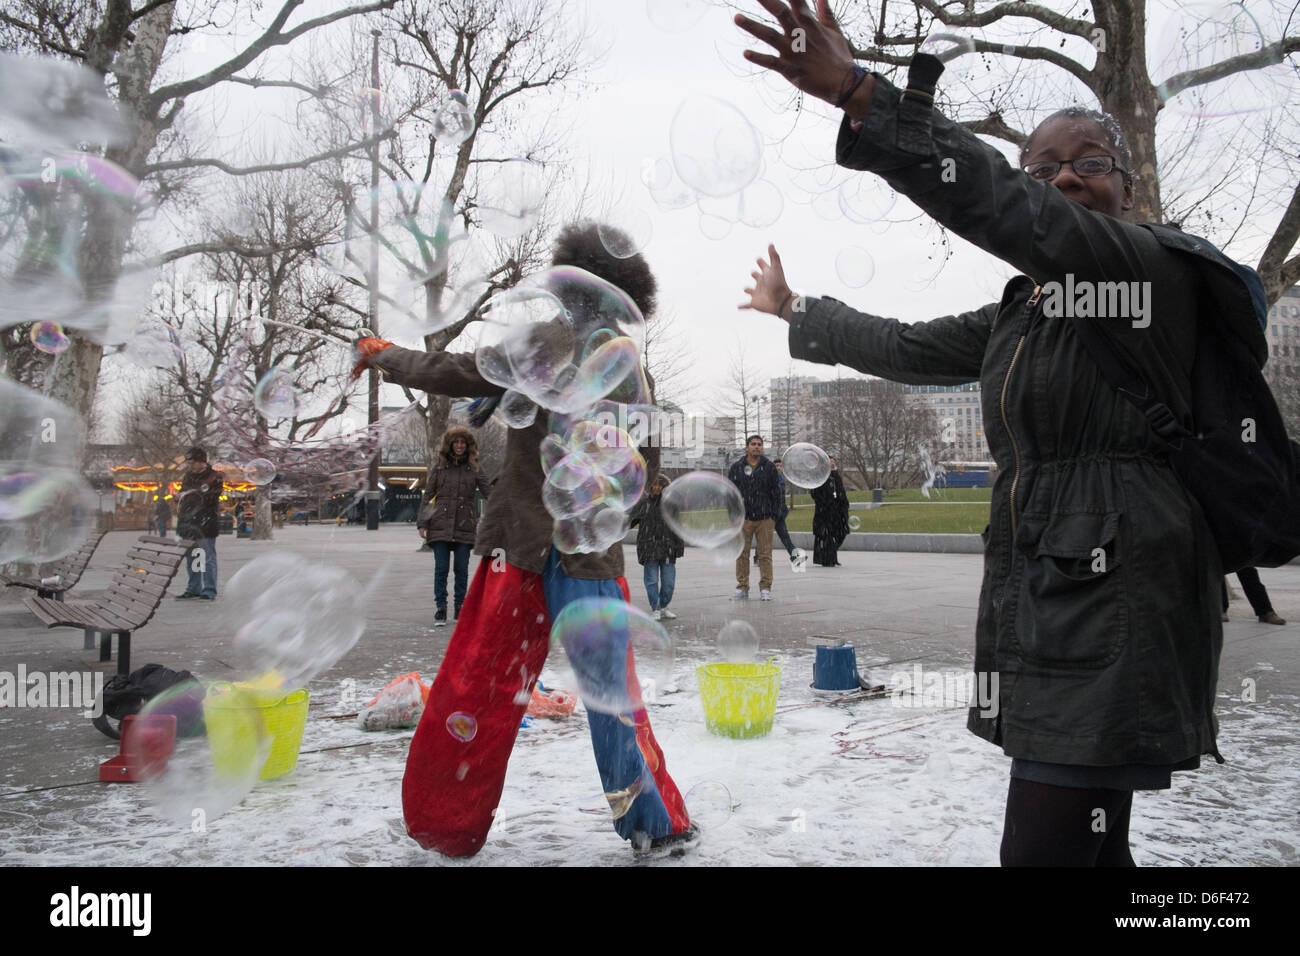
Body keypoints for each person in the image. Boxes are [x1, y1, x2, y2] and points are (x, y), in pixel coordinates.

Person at [735, 0, 1264, 865]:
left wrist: (864, 96)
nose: (1061, 180)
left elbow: (1012, 210)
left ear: (1126, 184)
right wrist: (799, 310)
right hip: (1051, 596)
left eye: (1086, 164)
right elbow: (909, 347)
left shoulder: (1149, 274)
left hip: (1118, 596)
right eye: (1043, 166)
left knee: (1046, 848)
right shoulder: (1030, 311)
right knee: (1089, 844)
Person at [352, 222, 695, 858]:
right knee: (611, 698)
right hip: (588, 553)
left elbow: (454, 369)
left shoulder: (549, 340)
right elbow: (639, 459)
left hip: (522, 547)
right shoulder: (622, 360)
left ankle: (444, 821)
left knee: (476, 685)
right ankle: (655, 822)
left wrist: (384, 354)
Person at [418, 426, 491, 626]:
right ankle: (440, 608)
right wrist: (422, 523)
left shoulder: (475, 467)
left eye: (463, 442)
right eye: (456, 442)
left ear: (468, 446)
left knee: (461, 568)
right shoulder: (440, 467)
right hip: (440, 524)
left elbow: (489, 492)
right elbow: (428, 496)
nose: (459, 446)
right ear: (450, 445)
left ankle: (460, 608)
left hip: (464, 525)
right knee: (441, 569)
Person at [727, 434, 782, 600]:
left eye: (759, 444)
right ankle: (742, 587)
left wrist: (774, 515)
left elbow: (776, 493)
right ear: (747, 447)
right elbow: (730, 494)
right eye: (753, 444)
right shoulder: (737, 467)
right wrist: (733, 516)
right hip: (743, 518)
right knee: (741, 554)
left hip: (765, 518)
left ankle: (765, 587)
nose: (757, 447)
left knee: (765, 555)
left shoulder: (770, 467)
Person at [628, 474, 685, 620]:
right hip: (649, 548)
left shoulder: (671, 504)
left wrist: (678, 547)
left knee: (669, 583)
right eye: (655, 484)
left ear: (665, 487)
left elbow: (677, 526)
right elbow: (630, 522)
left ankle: (664, 606)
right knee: (651, 580)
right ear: (650, 486)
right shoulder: (643, 503)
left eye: (661, 485)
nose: (657, 488)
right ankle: (656, 608)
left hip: (668, 548)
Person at [174, 446, 223, 601]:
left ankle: (209, 590)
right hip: (189, 523)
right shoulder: (188, 476)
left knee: (207, 556)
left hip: (205, 522)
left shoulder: (215, 476)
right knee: (193, 557)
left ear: (202, 462)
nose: (189, 466)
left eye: (192, 462)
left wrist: (190, 495)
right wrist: (179, 497)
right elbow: (186, 496)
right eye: (188, 463)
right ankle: (194, 588)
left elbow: (211, 499)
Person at [755, 458, 797, 564]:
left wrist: (783, 509)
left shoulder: (782, 479)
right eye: (776, 466)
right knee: (764, 536)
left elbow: (781, 498)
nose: (778, 468)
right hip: (770, 514)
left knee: (784, 536)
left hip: (779, 514)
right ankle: (757, 557)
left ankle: (794, 556)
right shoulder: (770, 479)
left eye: (780, 466)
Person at [811, 456, 849, 567]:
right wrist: (825, 502)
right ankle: (828, 558)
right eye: (830, 462)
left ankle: (831, 555)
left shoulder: (836, 476)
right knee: (827, 535)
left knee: (840, 533)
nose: (832, 463)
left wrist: (844, 505)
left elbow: (841, 492)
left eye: (833, 461)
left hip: (837, 512)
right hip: (825, 512)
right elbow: (815, 494)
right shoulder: (820, 477)